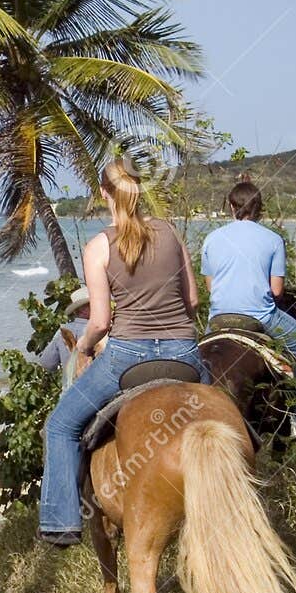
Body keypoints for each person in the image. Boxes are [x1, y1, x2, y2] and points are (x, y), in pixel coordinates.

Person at [38, 160, 208, 546]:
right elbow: (193, 300)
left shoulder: (98, 246)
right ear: (139, 190)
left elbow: (98, 322)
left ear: (104, 194)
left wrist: (82, 348)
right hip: (184, 351)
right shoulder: (170, 233)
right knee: (224, 411)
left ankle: (60, 522)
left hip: (127, 355)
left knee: (61, 426)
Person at [199, 179, 296, 433]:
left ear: (232, 207)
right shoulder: (273, 239)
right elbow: (277, 291)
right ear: (258, 209)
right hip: (261, 317)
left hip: (218, 319)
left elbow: (210, 287)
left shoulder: (212, 239)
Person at [37, 287, 90, 382]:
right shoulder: (102, 330)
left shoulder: (63, 330)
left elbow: (47, 363)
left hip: (69, 390)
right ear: (83, 309)